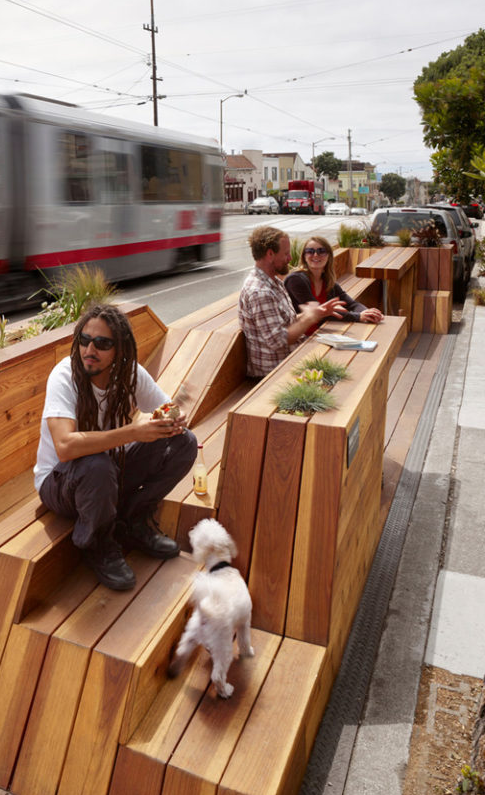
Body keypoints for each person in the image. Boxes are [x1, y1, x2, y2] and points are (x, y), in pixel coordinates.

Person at [34, 303, 198, 591]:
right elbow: (65, 447)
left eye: (102, 343)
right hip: (60, 482)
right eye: (84, 340)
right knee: (97, 464)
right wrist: (133, 432)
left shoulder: (129, 372)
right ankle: (98, 545)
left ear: (119, 350)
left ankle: (133, 522)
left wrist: (174, 418)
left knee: (183, 443)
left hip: (105, 472)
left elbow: (166, 406)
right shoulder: (64, 376)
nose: (89, 350)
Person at [238, 225, 346, 379]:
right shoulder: (260, 292)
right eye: (286, 254)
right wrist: (309, 318)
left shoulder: (273, 281)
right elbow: (278, 341)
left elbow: (285, 322)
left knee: (347, 361)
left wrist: (316, 313)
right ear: (270, 254)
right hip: (275, 373)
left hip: (291, 359)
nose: (290, 258)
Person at [284, 235, 384, 336]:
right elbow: (320, 313)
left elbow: (352, 304)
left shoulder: (327, 281)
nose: (315, 255)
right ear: (304, 256)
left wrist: (367, 313)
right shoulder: (296, 280)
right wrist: (358, 316)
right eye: (310, 251)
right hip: (300, 338)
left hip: (323, 332)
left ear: (328, 256)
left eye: (321, 251)